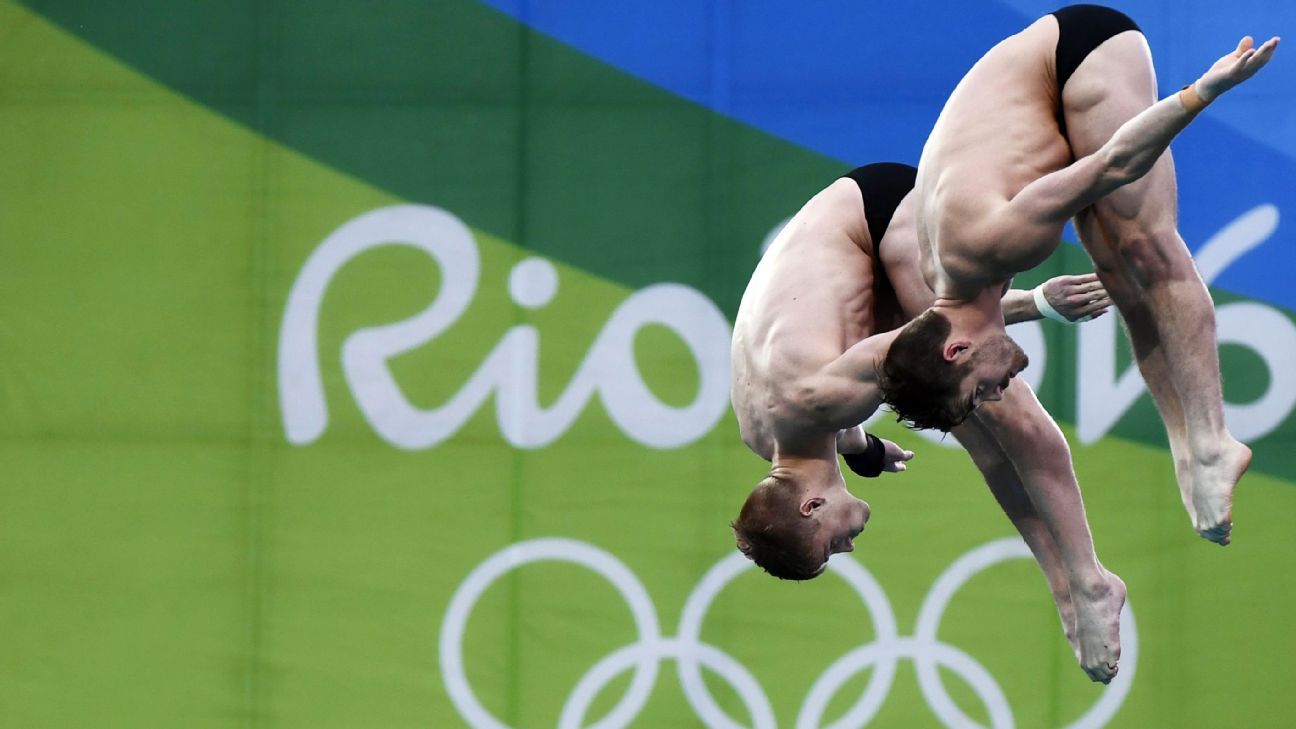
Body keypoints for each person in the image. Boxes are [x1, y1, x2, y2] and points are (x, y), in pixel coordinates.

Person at [882, 5, 1279, 547]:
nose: (997, 395)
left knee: (1144, 247)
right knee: (1114, 268)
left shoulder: (988, 243)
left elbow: (1119, 161)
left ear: (955, 351)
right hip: (1030, 99)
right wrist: (1042, 302)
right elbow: (996, 307)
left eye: (979, 393)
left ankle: (1211, 436)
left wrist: (1204, 90)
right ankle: (1186, 447)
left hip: (1078, 54)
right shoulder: (948, 286)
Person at [731, 161, 1123, 681]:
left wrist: (1039, 304)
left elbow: (938, 341)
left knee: (1014, 423)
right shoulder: (766, 436)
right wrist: (866, 451)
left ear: (811, 506)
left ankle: (1089, 581)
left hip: (876, 216)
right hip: (849, 255)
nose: (847, 547)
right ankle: (1063, 587)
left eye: (830, 545)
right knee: (977, 437)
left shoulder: (822, 399)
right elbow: (840, 427)